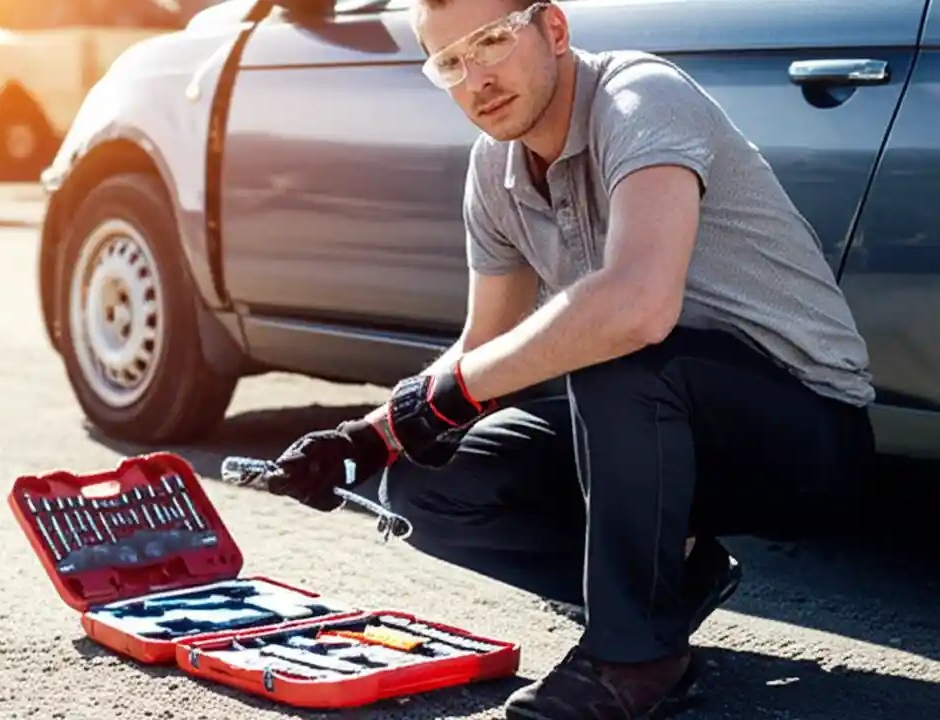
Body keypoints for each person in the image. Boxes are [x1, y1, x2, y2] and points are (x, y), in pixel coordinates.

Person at [263, 1, 878, 718]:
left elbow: (639, 306)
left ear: (553, 29)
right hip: (658, 426)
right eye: (450, 62)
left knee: (615, 346)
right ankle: (668, 586)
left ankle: (634, 661)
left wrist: (435, 402)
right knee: (427, 484)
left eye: (492, 41)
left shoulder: (642, 99)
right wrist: (370, 436)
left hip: (805, 438)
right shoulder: (494, 170)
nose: (477, 77)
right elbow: (482, 349)